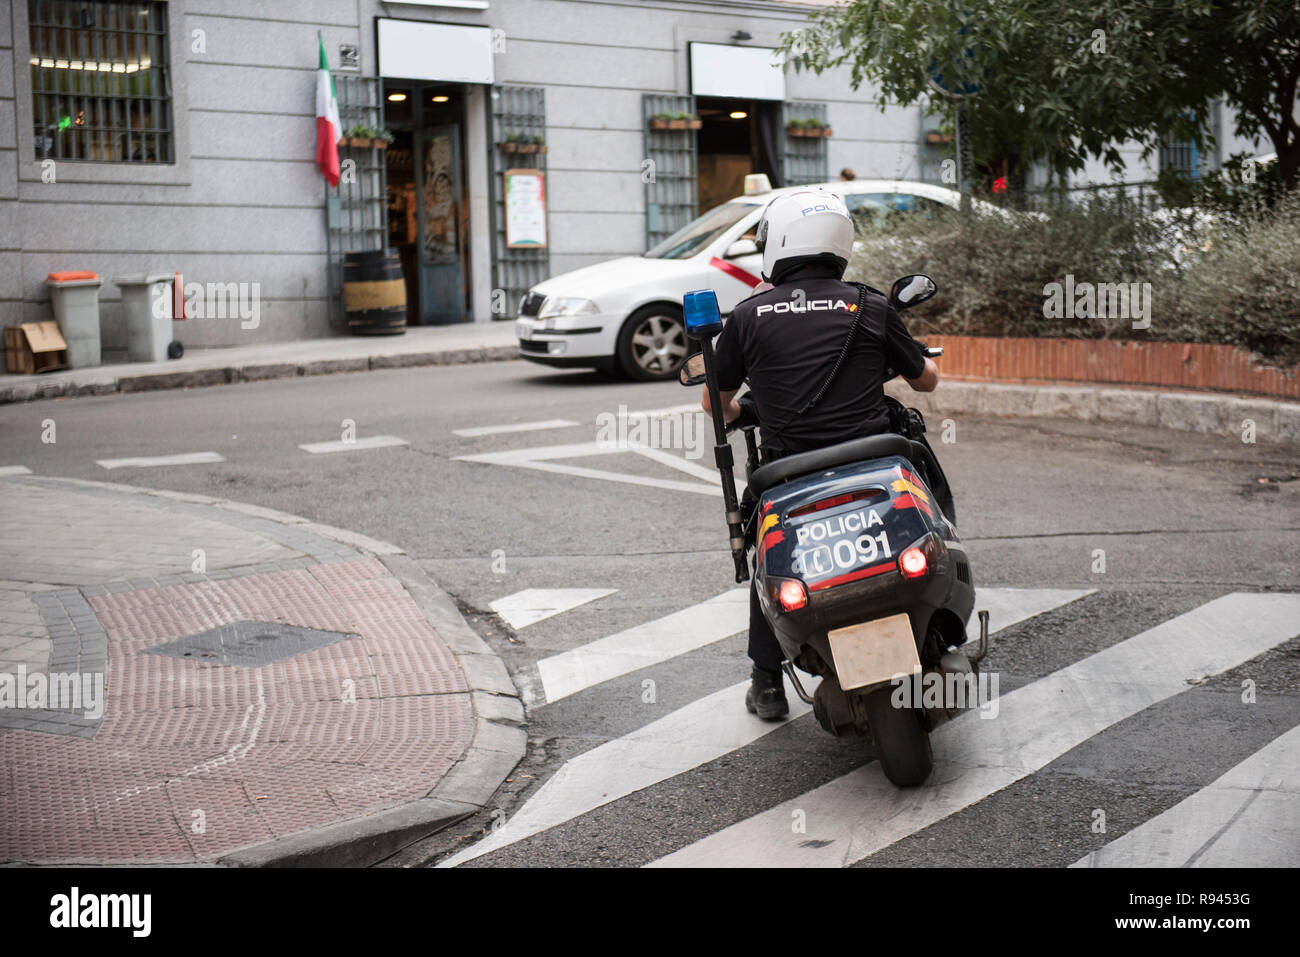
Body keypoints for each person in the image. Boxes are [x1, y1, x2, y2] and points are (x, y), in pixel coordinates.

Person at [700, 189, 939, 719]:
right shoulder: (869, 304)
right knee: (928, 496)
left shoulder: (747, 316)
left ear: (778, 244)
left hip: (788, 474)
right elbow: (926, 381)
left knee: (771, 553)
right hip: (874, 459)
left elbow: (715, 406)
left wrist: (749, 410)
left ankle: (767, 682)